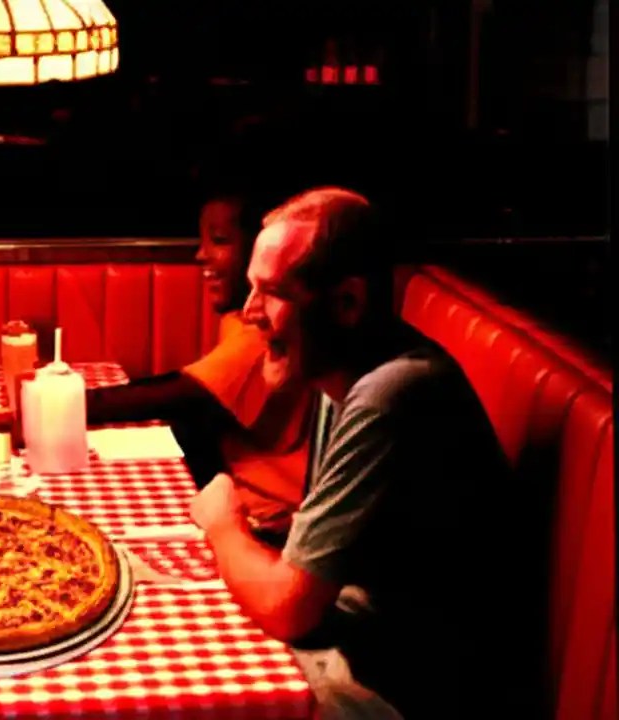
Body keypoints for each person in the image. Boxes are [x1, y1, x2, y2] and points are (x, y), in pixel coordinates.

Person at [187, 187, 521, 717]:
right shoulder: (340, 377)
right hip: (370, 652)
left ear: (347, 302)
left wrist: (222, 522)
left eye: (272, 291)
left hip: (415, 691)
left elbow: (287, 606)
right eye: (251, 289)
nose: (250, 312)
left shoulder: (391, 392)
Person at [86, 190, 315, 535]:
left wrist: (54, 405)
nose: (200, 254)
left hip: (270, 521)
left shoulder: (264, 335)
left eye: (219, 240)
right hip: (237, 494)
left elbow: (181, 393)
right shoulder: (240, 321)